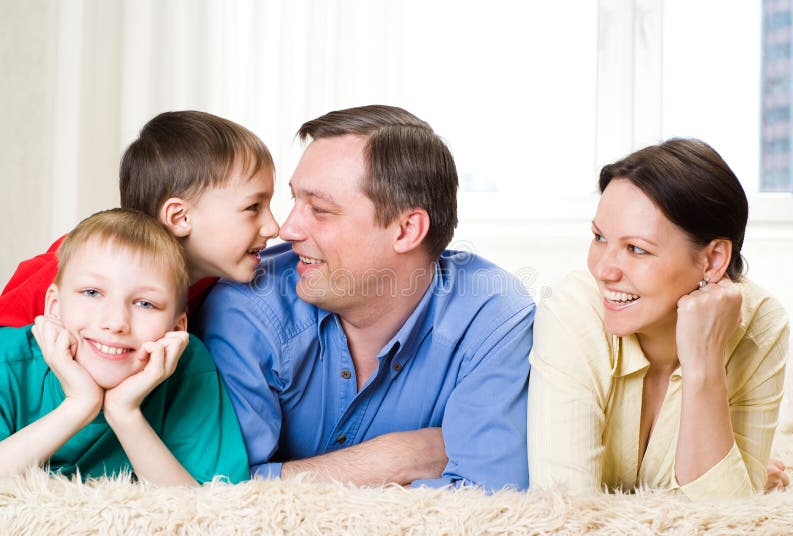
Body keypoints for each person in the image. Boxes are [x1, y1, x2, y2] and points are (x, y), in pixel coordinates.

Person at [197, 105, 534, 491]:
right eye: (294, 201)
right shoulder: (246, 306)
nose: (285, 229)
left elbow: (491, 503)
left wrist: (287, 477)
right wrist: (394, 458)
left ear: (407, 230)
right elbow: (219, 491)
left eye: (320, 210)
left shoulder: (493, 318)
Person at [527, 138, 789, 501]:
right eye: (599, 237)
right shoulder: (571, 310)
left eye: (637, 249)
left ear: (713, 261)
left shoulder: (761, 324)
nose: (603, 270)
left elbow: (729, 517)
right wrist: (737, 478)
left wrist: (703, 365)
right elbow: (564, 508)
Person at [0, 208, 249, 485]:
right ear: (54, 307)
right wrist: (79, 406)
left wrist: (125, 413)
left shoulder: (190, 368)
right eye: (92, 293)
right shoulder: (7, 360)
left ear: (177, 328)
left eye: (145, 303)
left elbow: (211, 510)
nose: (116, 322)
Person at [0, 110, 279, 329]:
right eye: (253, 207)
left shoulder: (218, 287)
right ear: (180, 217)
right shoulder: (74, 267)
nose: (274, 227)